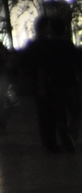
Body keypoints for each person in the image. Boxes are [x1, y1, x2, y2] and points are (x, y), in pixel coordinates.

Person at [27, 15, 80, 154]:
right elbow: (77, 65)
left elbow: (42, 68)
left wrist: (41, 85)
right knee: (74, 112)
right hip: (69, 84)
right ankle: (70, 136)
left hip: (55, 85)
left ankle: (63, 138)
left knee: (59, 114)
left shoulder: (47, 47)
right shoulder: (69, 45)